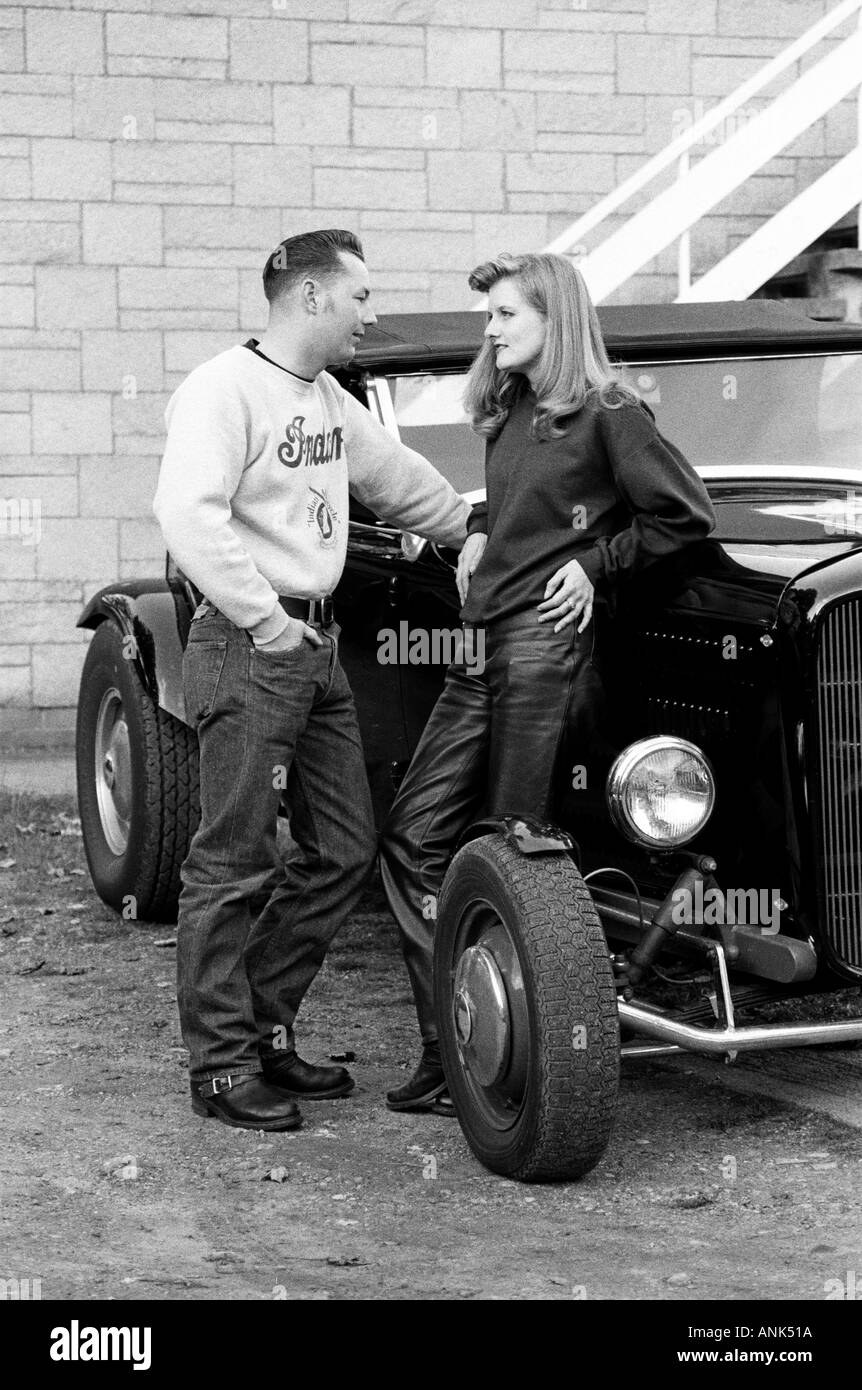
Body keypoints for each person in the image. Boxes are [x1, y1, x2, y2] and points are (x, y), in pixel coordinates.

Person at [379, 251, 716, 1114]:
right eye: (489, 315)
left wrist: (597, 564)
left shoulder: (611, 411)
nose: (488, 331)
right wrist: (485, 530)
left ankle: (523, 1064)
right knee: (414, 838)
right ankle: (449, 1042)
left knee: (515, 847)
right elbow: (522, 499)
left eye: (504, 316)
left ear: (554, 322)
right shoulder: (512, 405)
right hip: (479, 644)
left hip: (542, 649)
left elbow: (683, 515)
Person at [153, 229, 470, 1131]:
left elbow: (394, 478)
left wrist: (465, 530)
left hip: (313, 648)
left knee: (342, 849)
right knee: (232, 862)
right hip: (252, 642)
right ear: (311, 298)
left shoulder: (327, 397)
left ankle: (260, 1030)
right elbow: (185, 511)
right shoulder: (224, 389)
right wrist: (264, 619)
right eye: (361, 297)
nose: (372, 314)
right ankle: (220, 1070)